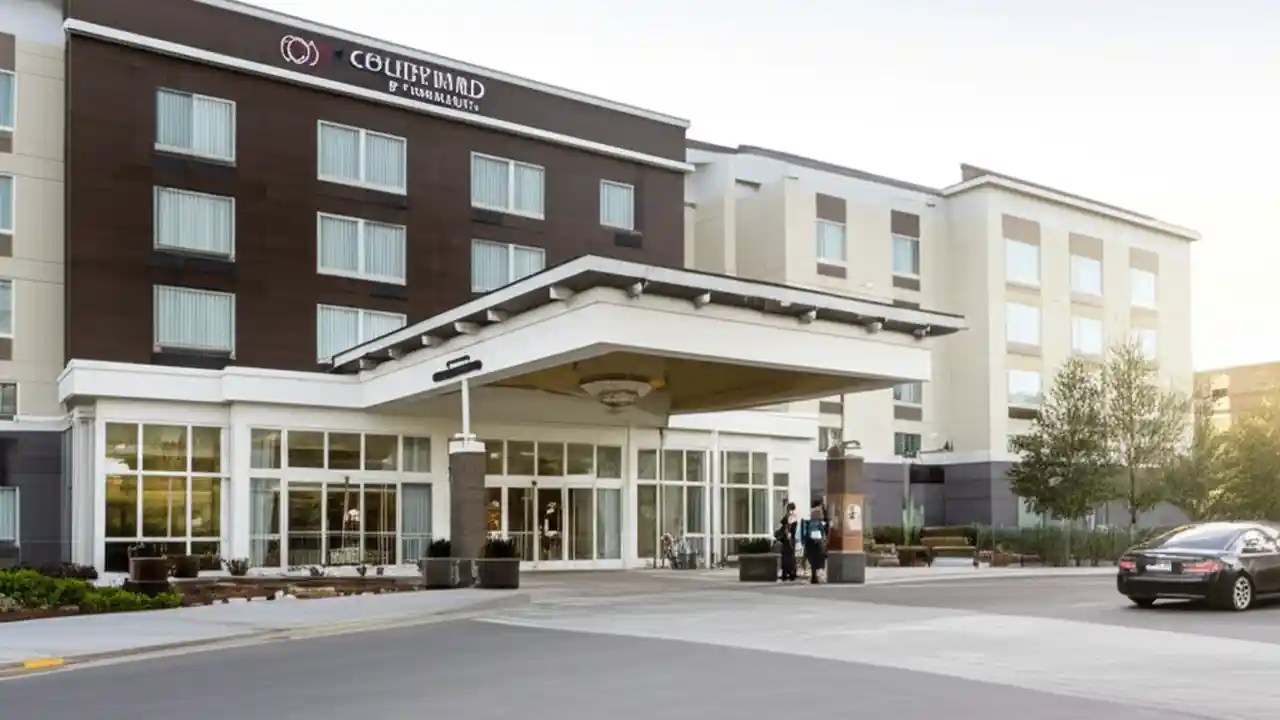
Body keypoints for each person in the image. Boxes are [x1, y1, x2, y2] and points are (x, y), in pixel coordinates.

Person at [800, 499, 829, 584]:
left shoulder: (809, 516)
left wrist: (803, 540)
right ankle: (815, 575)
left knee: (812, 558)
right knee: (817, 557)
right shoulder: (817, 513)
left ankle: (814, 576)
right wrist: (824, 538)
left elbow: (805, 528)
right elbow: (821, 528)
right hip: (816, 540)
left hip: (810, 540)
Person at [776, 502, 798, 582]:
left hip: (788, 540)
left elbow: (792, 529)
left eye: (790, 509)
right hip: (788, 540)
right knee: (788, 556)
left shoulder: (789, 517)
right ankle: (788, 573)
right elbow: (782, 527)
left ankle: (789, 573)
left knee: (788, 556)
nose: (790, 511)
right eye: (789, 509)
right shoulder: (789, 517)